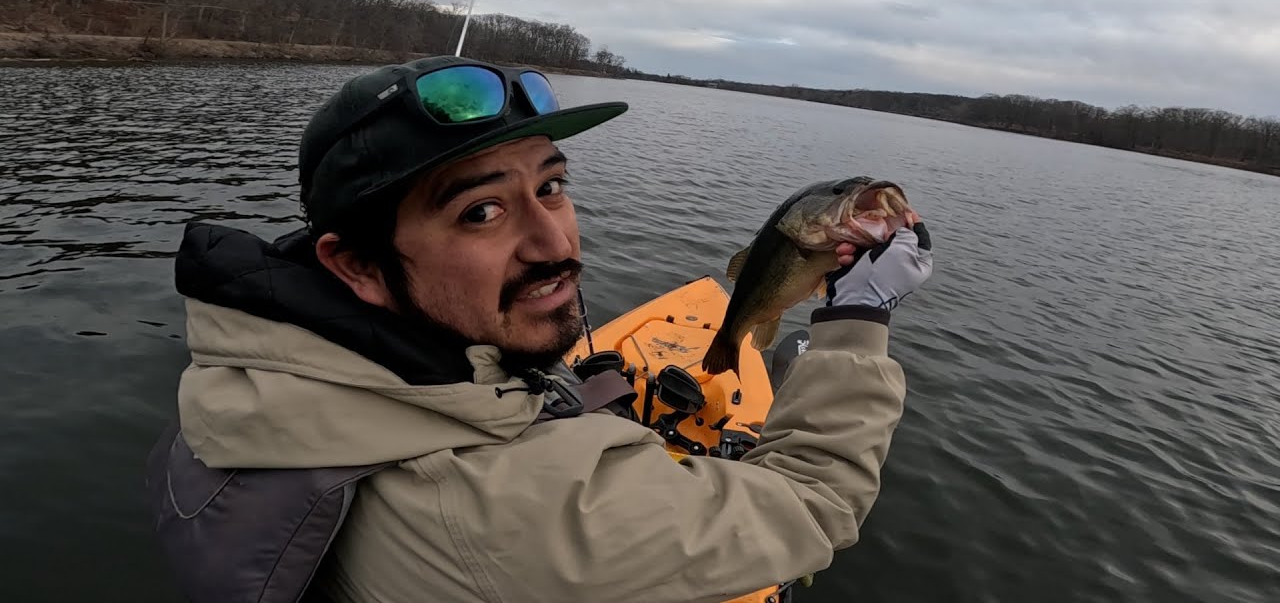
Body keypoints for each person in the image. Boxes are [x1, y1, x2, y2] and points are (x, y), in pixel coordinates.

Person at [147, 55, 934, 603]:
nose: (555, 243)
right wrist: (857, 320)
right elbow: (816, 506)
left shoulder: (245, 374)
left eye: (552, 186)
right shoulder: (498, 518)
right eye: (481, 211)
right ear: (353, 264)